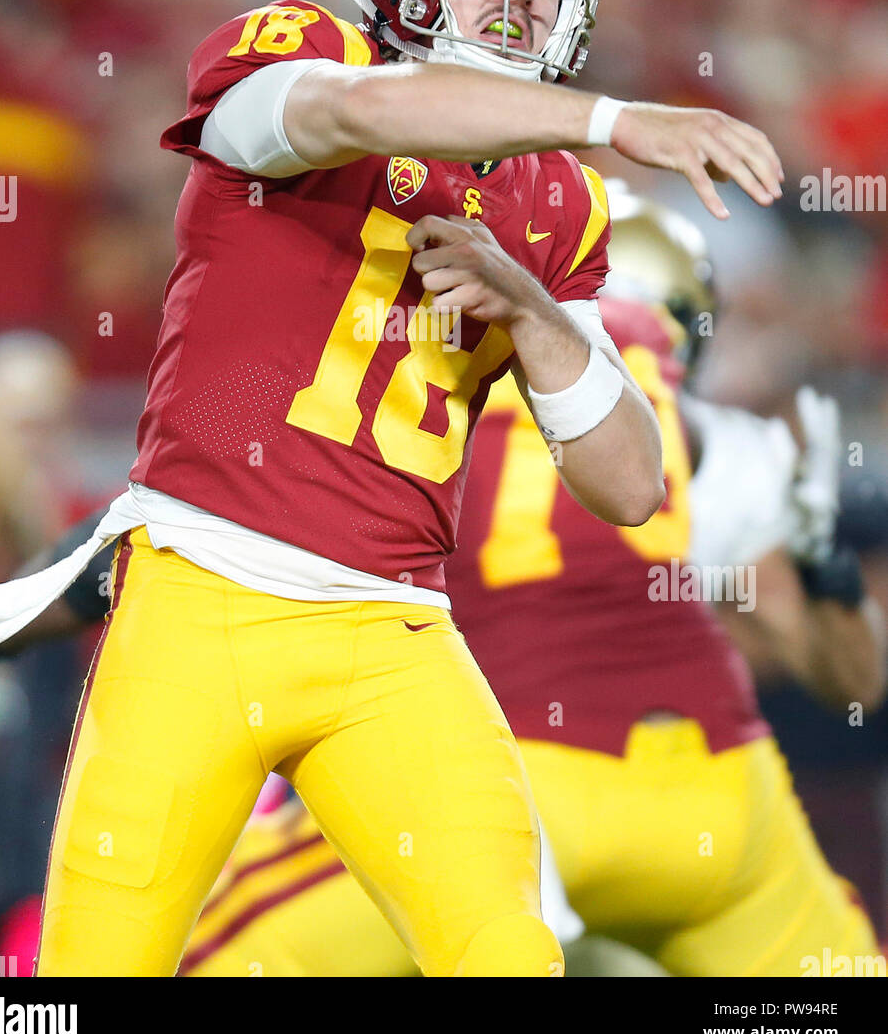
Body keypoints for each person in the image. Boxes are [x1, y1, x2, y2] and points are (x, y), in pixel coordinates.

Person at [0, 0, 782, 978]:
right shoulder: (301, 44)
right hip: (202, 597)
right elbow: (345, 114)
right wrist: (612, 119)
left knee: (506, 958)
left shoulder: (559, 203)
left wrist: (532, 312)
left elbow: (629, 486)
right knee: (87, 983)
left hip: (394, 633)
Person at [176, 189, 882, 978]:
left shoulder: (406, 408)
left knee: (201, 948)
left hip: (502, 784)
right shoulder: (724, 450)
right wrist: (829, 566)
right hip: (708, 794)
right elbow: (856, 683)